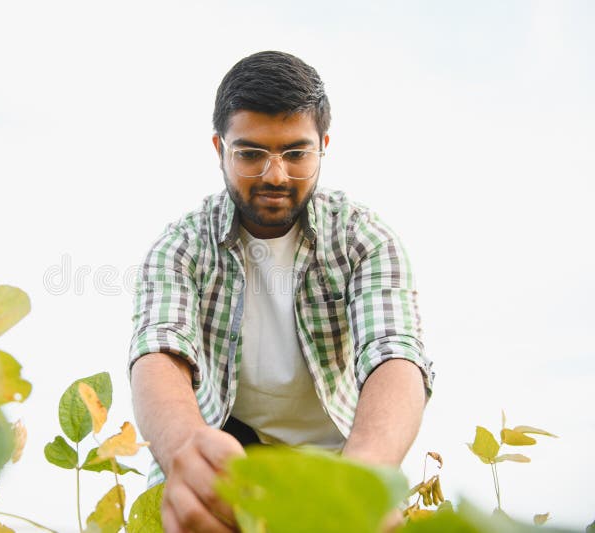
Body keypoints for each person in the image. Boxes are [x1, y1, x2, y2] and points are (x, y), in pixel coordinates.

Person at [129, 50, 434, 533]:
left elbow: (394, 354)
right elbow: (158, 351)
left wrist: (368, 474)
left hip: (339, 461)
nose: (275, 175)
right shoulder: (179, 246)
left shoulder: (364, 239)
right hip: (229, 462)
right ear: (219, 149)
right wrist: (184, 448)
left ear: (323, 146)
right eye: (251, 153)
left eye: (296, 153)